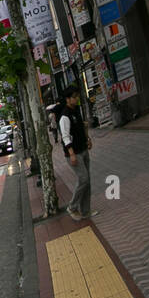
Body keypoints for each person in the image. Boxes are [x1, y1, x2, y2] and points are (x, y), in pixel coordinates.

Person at [59, 90, 96, 221]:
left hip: (83, 149)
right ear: (68, 99)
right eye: (74, 97)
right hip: (74, 153)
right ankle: (72, 207)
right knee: (83, 179)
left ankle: (85, 211)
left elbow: (82, 127)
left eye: (77, 97)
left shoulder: (77, 110)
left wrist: (88, 139)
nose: (76, 99)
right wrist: (72, 154)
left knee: (87, 181)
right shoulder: (64, 116)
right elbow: (65, 136)